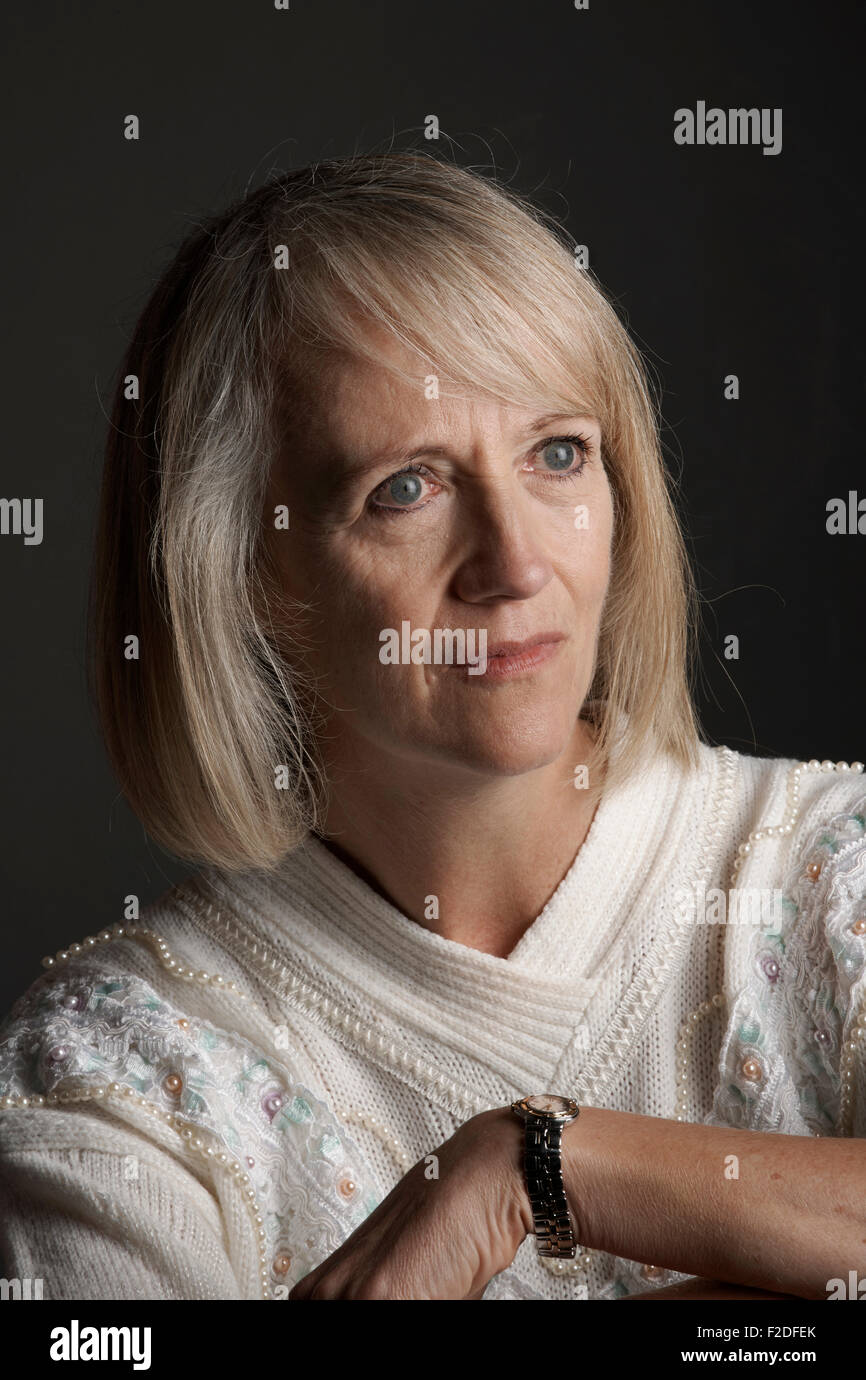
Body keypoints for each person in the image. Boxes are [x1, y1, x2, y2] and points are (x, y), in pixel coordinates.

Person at [0, 151, 863, 1302]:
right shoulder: (117, 1075)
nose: (514, 564)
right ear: (241, 572)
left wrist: (533, 1165)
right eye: (404, 488)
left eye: (557, 452)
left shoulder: (829, 876)